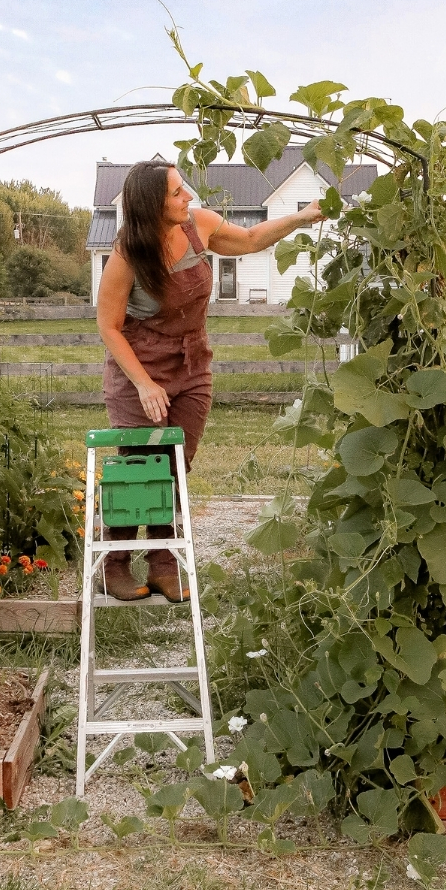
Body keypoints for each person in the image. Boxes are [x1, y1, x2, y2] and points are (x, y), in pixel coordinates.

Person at [96, 160, 324, 601]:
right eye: (178, 193)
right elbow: (108, 326)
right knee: (139, 466)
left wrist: (302, 216)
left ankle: (162, 563)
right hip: (138, 370)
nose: (189, 198)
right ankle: (115, 563)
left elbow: (253, 238)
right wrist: (144, 383)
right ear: (153, 205)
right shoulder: (128, 254)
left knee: (176, 464)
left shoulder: (199, 225)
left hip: (191, 364)